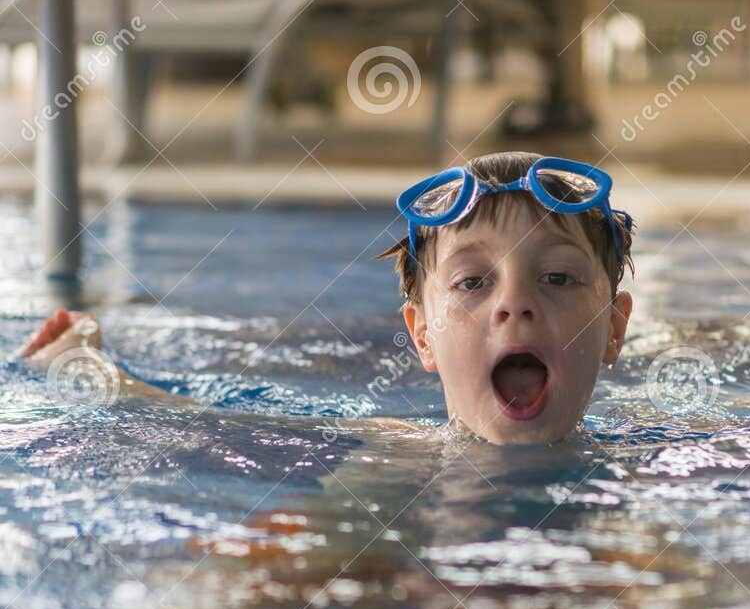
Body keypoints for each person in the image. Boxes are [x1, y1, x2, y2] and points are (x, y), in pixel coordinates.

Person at [18, 153, 635, 447]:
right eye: (473, 282)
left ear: (613, 327)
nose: (515, 305)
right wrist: (89, 368)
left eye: (557, 278)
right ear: (421, 334)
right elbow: (204, 422)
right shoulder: (398, 455)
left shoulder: (649, 467)